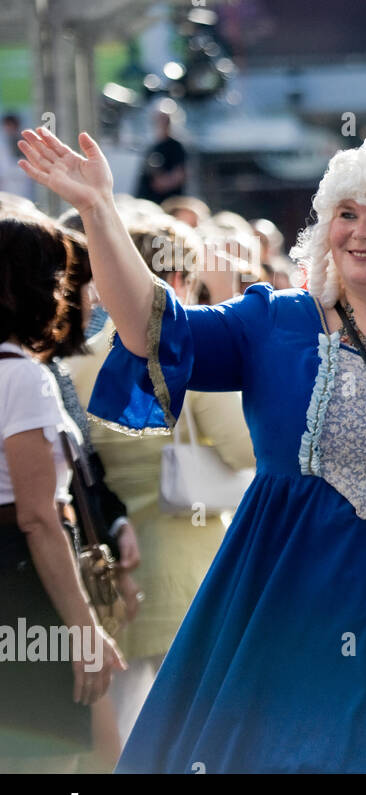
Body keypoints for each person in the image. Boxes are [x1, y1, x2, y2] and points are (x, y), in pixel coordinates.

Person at [18, 128, 366, 772]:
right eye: (346, 213)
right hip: (288, 623)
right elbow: (152, 328)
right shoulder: (272, 323)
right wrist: (99, 210)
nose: (360, 232)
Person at [66, 214, 256, 756]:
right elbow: (246, 447)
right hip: (188, 570)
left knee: (127, 737)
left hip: (112, 574)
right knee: (197, 740)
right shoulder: (181, 353)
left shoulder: (80, 358)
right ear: (175, 281)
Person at [0, 212, 127, 771]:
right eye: (61, 278)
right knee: (42, 762)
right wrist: (85, 630)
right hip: (21, 587)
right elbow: (37, 517)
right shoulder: (23, 377)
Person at [134, 110, 187, 205]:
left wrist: (163, 183)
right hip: (148, 202)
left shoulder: (176, 147)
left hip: (167, 203)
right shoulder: (152, 146)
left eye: (165, 121)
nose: (161, 124)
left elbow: (179, 175)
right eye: (159, 120)